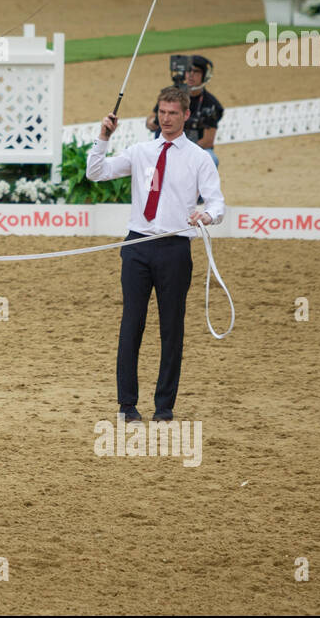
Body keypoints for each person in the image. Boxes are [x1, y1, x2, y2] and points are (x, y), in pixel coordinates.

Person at [87, 86, 225, 423]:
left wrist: (206, 215)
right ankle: (127, 405)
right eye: (162, 112)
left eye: (173, 113)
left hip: (175, 247)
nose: (166, 119)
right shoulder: (140, 151)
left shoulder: (198, 158)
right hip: (136, 246)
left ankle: (164, 407)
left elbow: (217, 202)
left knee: (171, 328)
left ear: (186, 115)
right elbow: (96, 172)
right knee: (131, 324)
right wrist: (103, 138)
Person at [146, 55, 224, 167]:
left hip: (196, 148)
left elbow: (208, 141)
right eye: (188, 71)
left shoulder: (211, 104)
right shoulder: (170, 95)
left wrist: (183, 151)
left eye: (196, 72)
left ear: (205, 76)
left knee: (212, 159)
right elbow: (150, 120)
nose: (191, 75)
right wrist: (153, 123)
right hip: (164, 146)